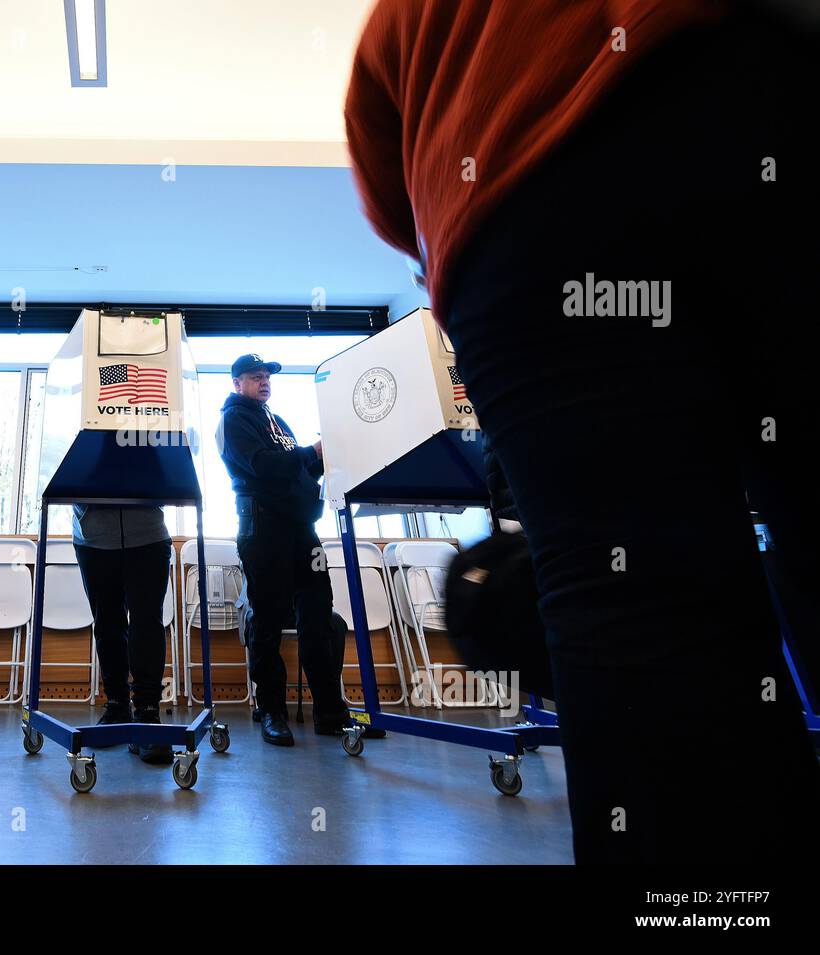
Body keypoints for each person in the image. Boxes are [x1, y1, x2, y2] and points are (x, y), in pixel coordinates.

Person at [345, 0, 819, 862]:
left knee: (635, 603)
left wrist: (441, 234)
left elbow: (383, 169)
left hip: (518, 194)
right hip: (754, 86)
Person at [216, 354, 350, 746]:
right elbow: (264, 466)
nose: (265, 382)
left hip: (301, 530)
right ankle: (271, 710)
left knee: (319, 613)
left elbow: (300, 469)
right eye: (256, 377)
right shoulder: (234, 419)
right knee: (268, 620)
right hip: (264, 529)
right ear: (237, 382)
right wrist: (311, 452)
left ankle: (330, 711)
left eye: (267, 377)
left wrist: (323, 458)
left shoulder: (278, 422)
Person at [72, 505, 175, 764]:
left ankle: (147, 712)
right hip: (94, 537)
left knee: (148, 622)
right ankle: (117, 706)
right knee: (107, 624)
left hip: (147, 534)